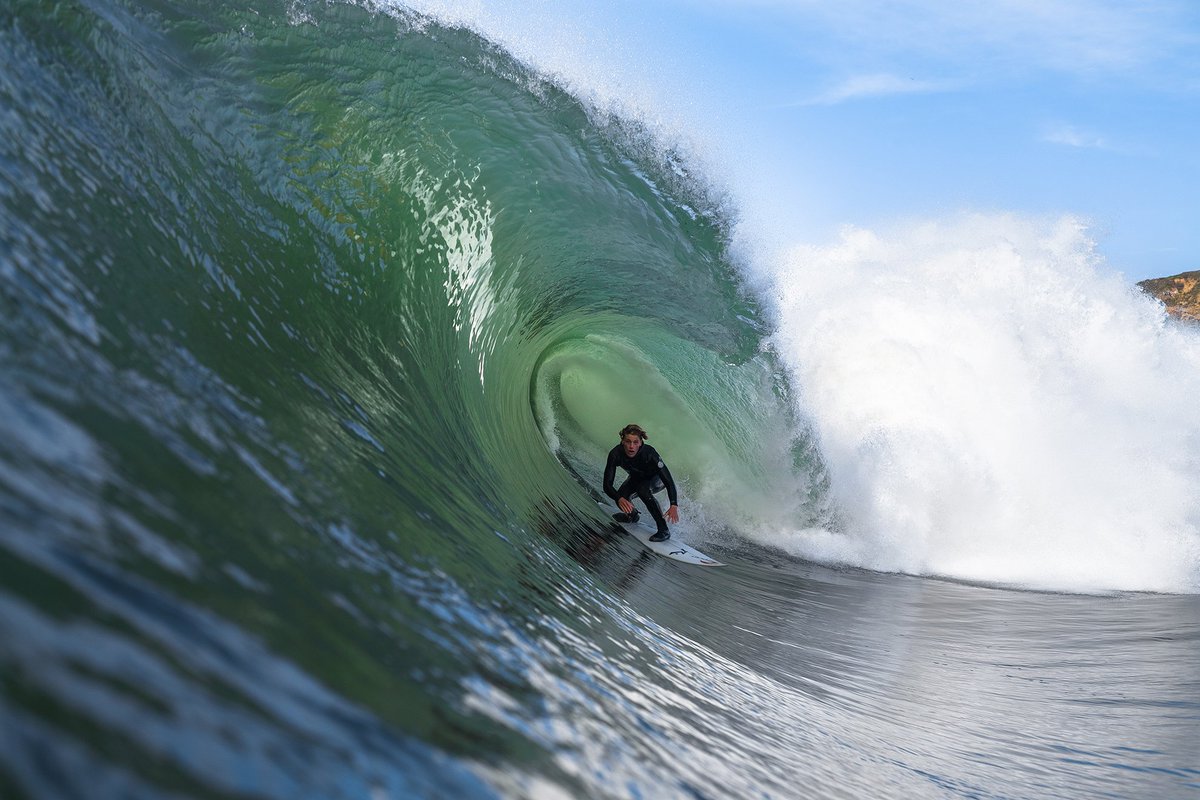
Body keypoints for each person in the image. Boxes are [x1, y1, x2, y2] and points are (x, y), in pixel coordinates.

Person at [603, 423, 679, 542]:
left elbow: (668, 481)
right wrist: (619, 498)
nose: (631, 446)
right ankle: (632, 516)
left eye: (635, 442)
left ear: (641, 442)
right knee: (621, 496)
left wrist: (673, 504)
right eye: (628, 441)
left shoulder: (649, 453)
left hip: (656, 480)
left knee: (643, 490)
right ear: (622, 441)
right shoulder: (615, 454)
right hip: (636, 477)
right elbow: (607, 485)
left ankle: (664, 530)